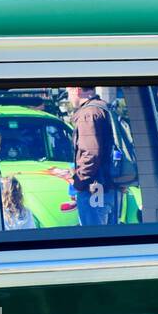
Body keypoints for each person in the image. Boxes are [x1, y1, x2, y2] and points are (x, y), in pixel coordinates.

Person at [59, 86, 119, 226]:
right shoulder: (104, 108)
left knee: (94, 239)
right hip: (110, 186)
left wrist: (78, 183)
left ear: (77, 90)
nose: (68, 97)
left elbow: (90, 153)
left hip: (94, 189)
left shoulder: (88, 114)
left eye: (69, 92)